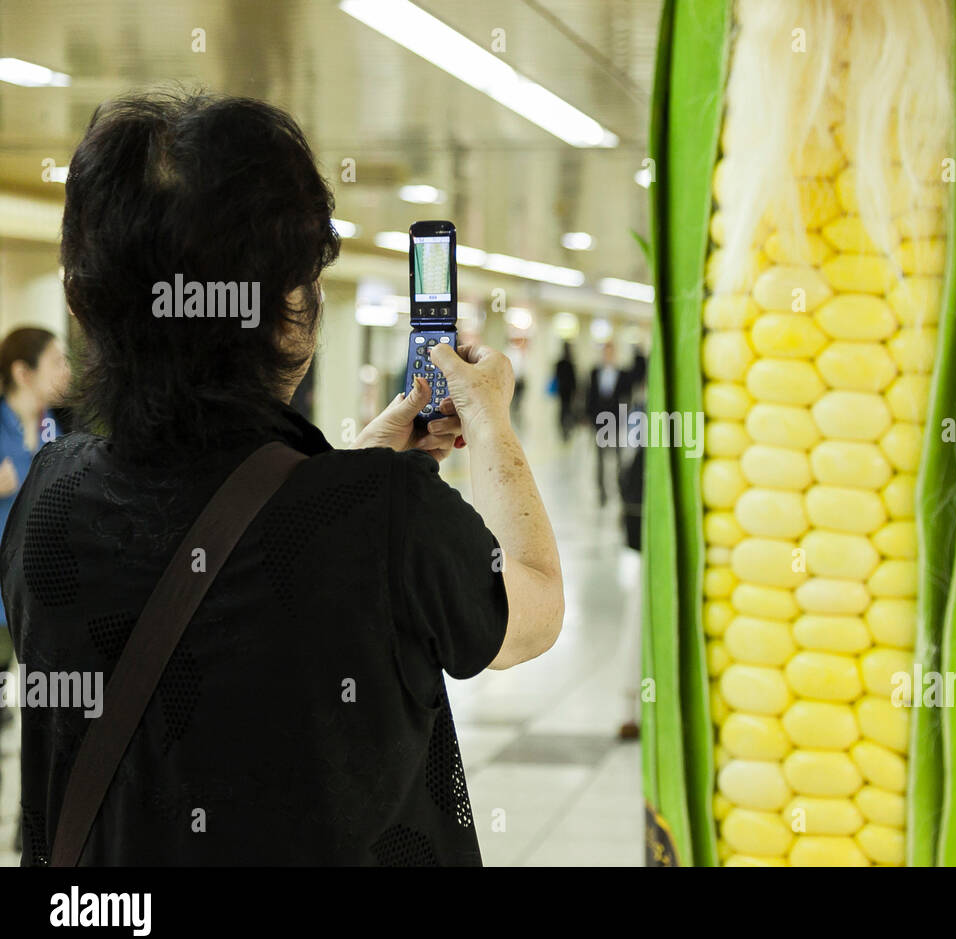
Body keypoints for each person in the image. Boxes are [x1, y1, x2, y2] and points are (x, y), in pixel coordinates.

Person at [0, 92, 563, 866]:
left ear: (85, 301)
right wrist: (491, 421)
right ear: (289, 315)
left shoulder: (48, 496)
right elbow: (531, 606)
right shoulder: (386, 518)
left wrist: (352, 478)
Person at [0, 327, 70, 852]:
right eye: (53, 362)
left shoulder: (56, 430)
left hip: (40, 595)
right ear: (23, 372)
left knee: (41, 716)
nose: (63, 371)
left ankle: (31, 832)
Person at [587, 342, 629, 507]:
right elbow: (590, 396)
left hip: (616, 421)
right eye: (606, 353)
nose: (608, 356)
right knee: (600, 459)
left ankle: (620, 488)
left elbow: (626, 397)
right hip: (599, 422)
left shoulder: (623, 374)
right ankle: (602, 492)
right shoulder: (594, 372)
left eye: (611, 353)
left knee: (618, 458)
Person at [553, 342, 577, 441]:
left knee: (564, 410)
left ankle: (565, 428)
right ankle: (565, 428)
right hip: (566, 392)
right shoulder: (570, 363)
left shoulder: (561, 363)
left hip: (564, 392)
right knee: (566, 410)